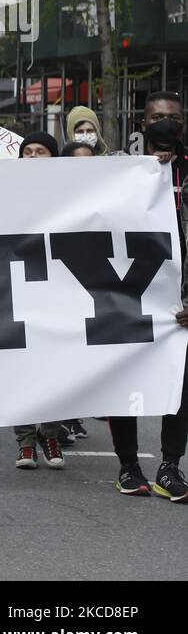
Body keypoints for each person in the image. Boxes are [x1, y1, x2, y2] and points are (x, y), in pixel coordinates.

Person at [106, 92, 188, 499]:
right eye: (157, 117)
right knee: (127, 377)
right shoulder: (120, 167)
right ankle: (128, 466)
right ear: (143, 123)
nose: (165, 124)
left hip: (181, 298)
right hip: (130, 290)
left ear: (182, 124)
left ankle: (170, 466)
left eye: (173, 118)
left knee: (181, 383)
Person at [7, 131, 68, 469]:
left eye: (40, 151)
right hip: (19, 288)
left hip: (58, 289)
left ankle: (52, 434)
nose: (32, 156)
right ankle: (26, 441)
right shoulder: (7, 194)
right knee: (22, 367)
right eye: (27, 151)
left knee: (56, 366)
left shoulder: (68, 192)